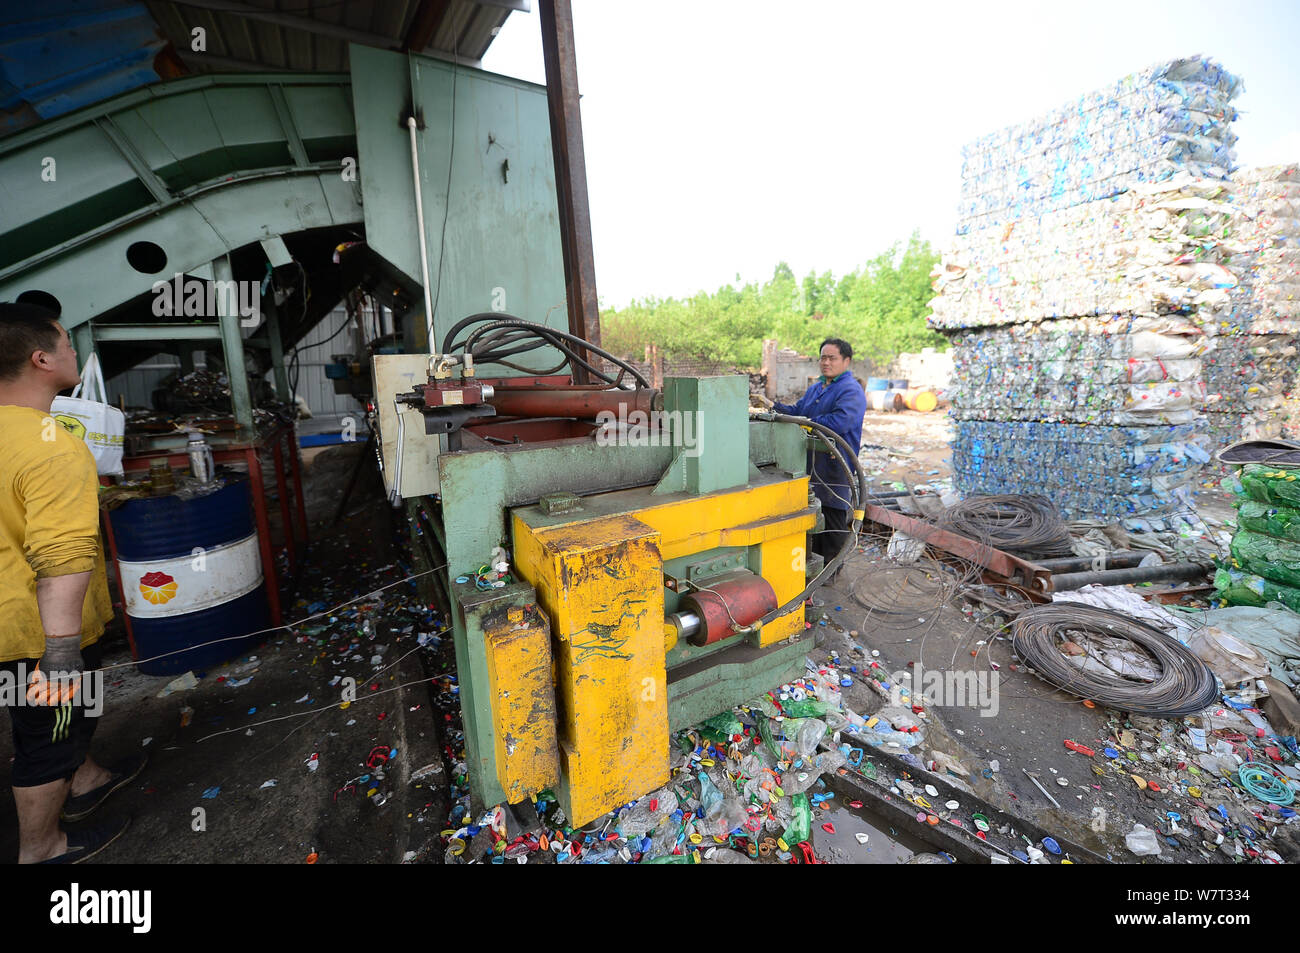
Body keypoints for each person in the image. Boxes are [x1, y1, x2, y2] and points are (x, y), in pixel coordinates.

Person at [0, 302, 144, 863]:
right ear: (41, 359)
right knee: (51, 733)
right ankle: (41, 849)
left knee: (45, 720)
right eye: (64, 344)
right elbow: (62, 557)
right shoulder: (52, 443)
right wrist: (60, 655)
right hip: (38, 632)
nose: (74, 353)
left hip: (8, 628)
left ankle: (85, 779)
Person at [770, 338, 866, 576]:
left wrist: (805, 424)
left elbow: (839, 422)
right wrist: (773, 407)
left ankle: (832, 571)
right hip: (812, 464)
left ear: (846, 361)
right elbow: (799, 411)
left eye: (832, 358)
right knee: (812, 517)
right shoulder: (818, 388)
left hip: (835, 466)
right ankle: (813, 572)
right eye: (823, 357)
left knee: (833, 519)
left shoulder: (850, 390)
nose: (826, 362)